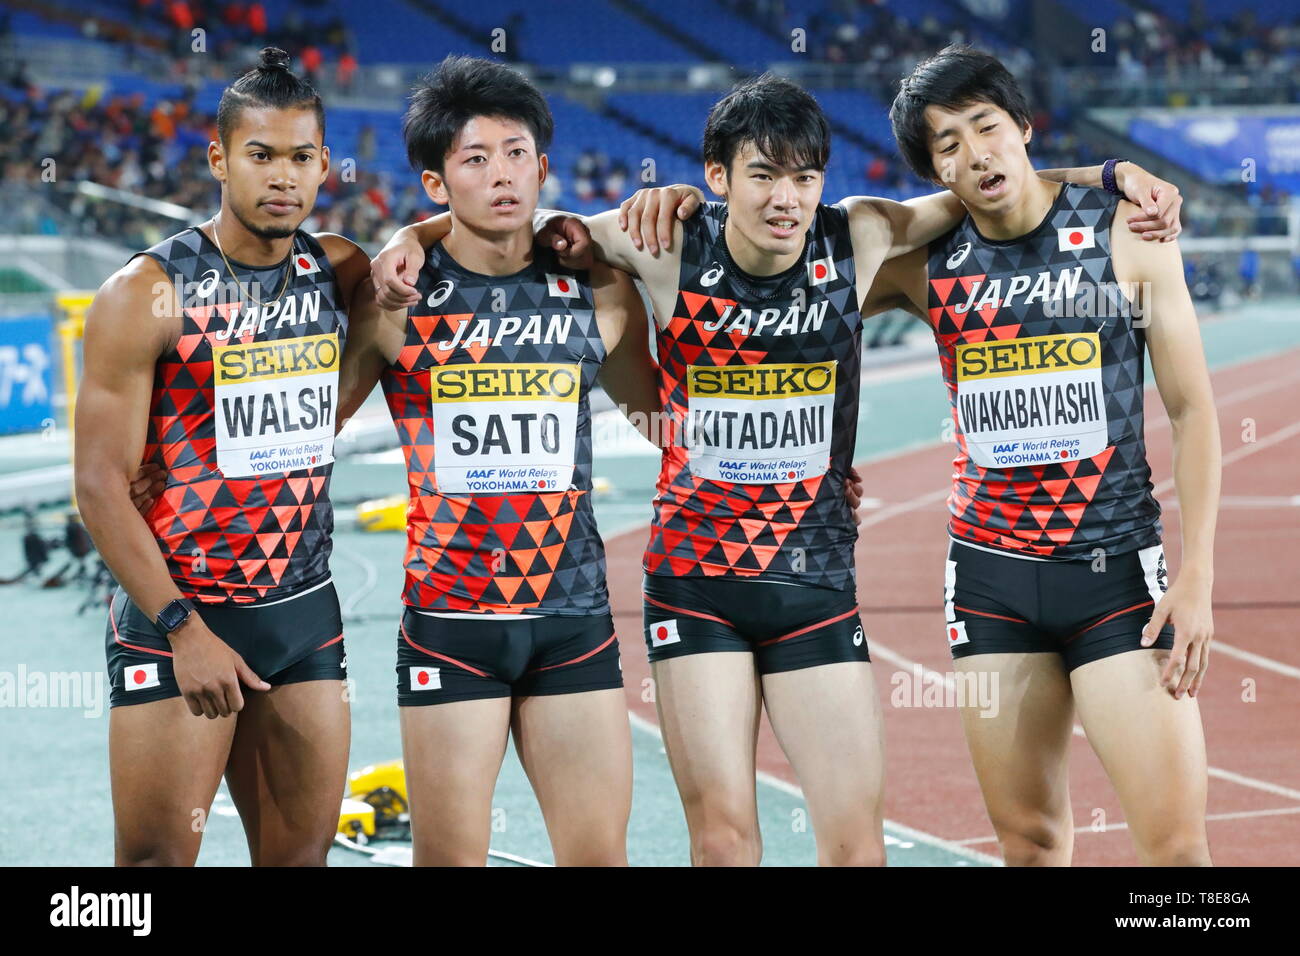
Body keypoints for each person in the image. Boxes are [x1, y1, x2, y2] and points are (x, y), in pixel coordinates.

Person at [371, 71, 1183, 865]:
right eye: (761, 176)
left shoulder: (858, 235)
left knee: (855, 846)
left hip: (816, 584)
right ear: (718, 178)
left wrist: (1111, 173)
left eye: (802, 177)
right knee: (723, 843)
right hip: (696, 584)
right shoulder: (662, 242)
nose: (784, 198)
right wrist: (407, 236)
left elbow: (996, 185)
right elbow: (514, 221)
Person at [854, 45, 1216, 865]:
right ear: (934, 170)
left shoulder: (1125, 232)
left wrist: (1197, 575)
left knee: (1175, 850)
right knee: (1029, 843)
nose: (974, 152)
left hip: (1119, 577)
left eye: (987, 126)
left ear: (1023, 126)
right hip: (989, 583)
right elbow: (790, 273)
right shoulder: (922, 264)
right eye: (947, 144)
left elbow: (1193, 411)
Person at [339, 56, 661, 866]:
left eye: (517, 153)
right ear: (436, 183)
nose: (501, 174)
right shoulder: (394, 300)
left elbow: (664, 419)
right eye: (474, 159)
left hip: (573, 623)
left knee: (598, 858)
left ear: (543, 167)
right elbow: (312, 432)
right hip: (452, 626)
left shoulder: (600, 288)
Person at [76, 48, 370, 866]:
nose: (284, 177)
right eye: (261, 155)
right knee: (151, 867)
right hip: (181, 616)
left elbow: (456, 249)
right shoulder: (146, 293)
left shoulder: (338, 269)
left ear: (323, 165)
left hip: (305, 616)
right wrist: (182, 628)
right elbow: (99, 484)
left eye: (302, 157)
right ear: (218, 158)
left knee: (297, 861)